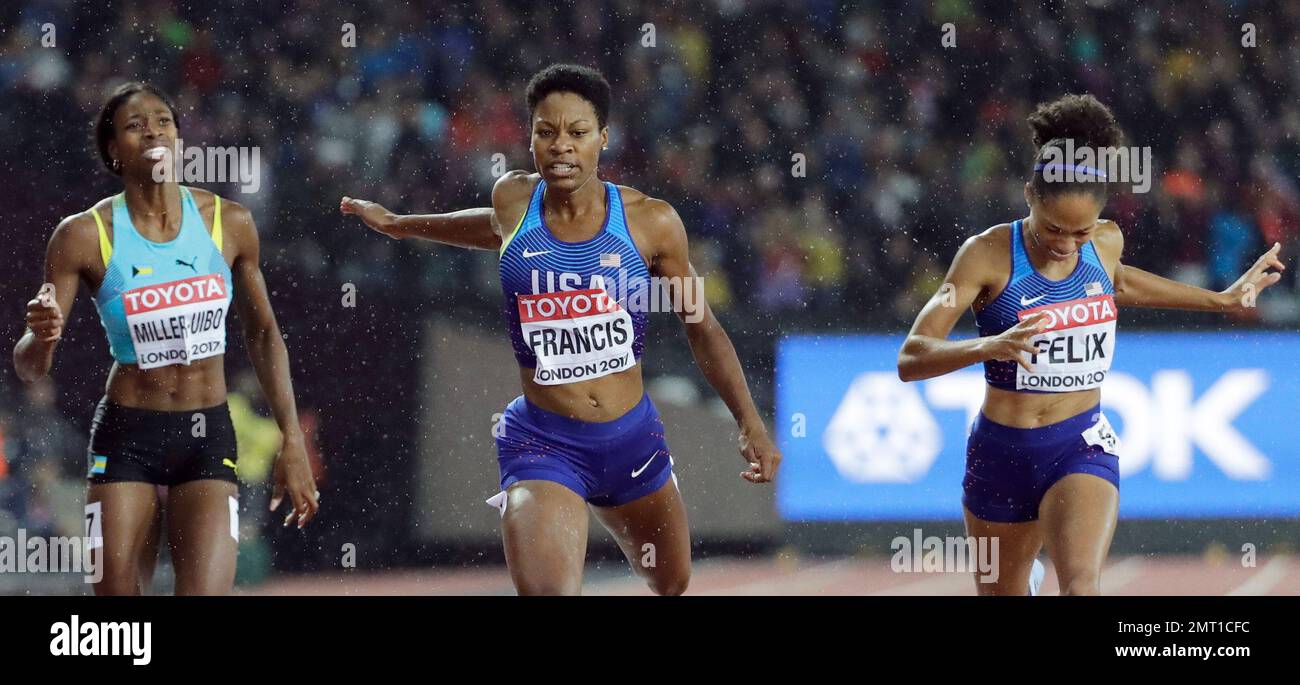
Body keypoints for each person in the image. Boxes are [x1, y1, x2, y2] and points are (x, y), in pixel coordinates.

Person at [341, 64, 780, 595]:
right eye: (545, 132)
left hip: (632, 441)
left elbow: (701, 327)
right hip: (544, 443)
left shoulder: (651, 223)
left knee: (671, 580)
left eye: (577, 133)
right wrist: (400, 225)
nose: (560, 147)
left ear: (603, 139)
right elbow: (492, 227)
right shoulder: (512, 200)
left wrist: (748, 419)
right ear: (529, 138)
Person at [897, 93, 1286, 595]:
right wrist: (987, 347)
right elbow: (911, 357)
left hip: (1078, 444)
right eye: (1052, 229)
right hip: (1000, 453)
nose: (1065, 244)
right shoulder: (986, 254)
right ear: (1029, 198)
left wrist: (1220, 300)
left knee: (1082, 587)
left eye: (1079, 233)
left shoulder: (1105, 243)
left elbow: (1118, 281)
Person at [12, 82, 319, 595]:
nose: (152, 131)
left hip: (208, 436)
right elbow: (30, 366)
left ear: (179, 137)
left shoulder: (230, 223)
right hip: (127, 434)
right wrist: (40, 338)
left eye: (163, 121)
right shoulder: (83, 235)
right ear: (114, 150)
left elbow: (264, 333)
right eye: (134, 125)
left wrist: (292, 437)